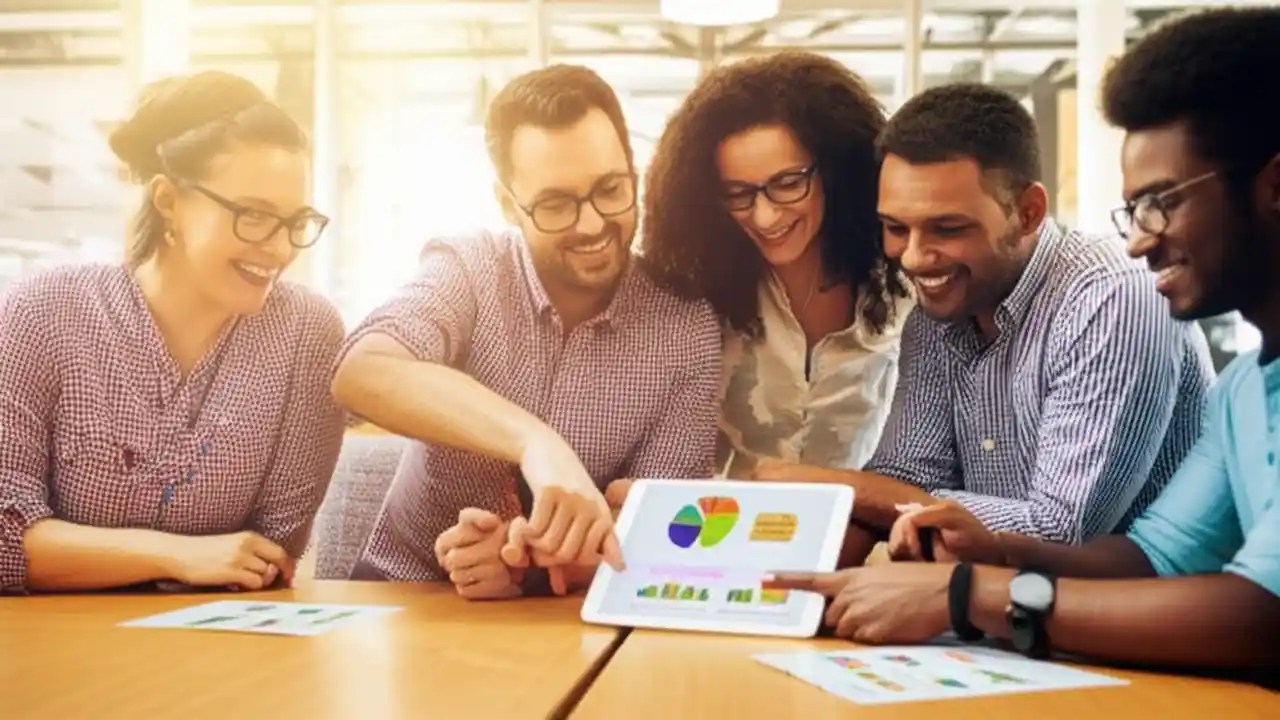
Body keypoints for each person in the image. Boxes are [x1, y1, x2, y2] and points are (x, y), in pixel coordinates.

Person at [763, 7, 1280, 669]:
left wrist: (969, 593)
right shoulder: (1247, 387)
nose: (1139, 239)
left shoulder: (1108, 293)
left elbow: (1262, 614)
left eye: (1163, 201)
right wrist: (994, 551)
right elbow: (1156, 558)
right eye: (1134, 209)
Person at [755, 83, 1214, 551]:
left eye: (948, 228)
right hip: (999, 608)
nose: (913, 258)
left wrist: (838, 487)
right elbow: (904, 476)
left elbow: (1060, 530)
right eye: (895, 228)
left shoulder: (1112, 298)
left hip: (1135, 611)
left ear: (1028, 212)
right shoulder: (935, 316)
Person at [331, 64, 721, 599]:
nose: (590, 225)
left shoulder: (684, 324)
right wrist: (536, 444)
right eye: (556, 204)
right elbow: (362, 372)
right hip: (409, 589)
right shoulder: (468, 268)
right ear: (507, 204)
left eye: (610, 189)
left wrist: (526, 564)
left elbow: (666, 529)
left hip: (575, 606)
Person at [0, 70, 346, 595]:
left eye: (296, 221)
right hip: (48, 647)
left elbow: (268, 557)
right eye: (253, 216)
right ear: (168, 201)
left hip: (216, 649)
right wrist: (176, 555)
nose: (279, 249)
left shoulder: (307, 333)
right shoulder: (43, 313)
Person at [642, 51, 911, 480]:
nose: (764, 216)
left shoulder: (902, 285)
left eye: (788, 184)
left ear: (836, 169)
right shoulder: (699, 294)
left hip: (864, 533)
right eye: (738, 193)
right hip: (726, 531)